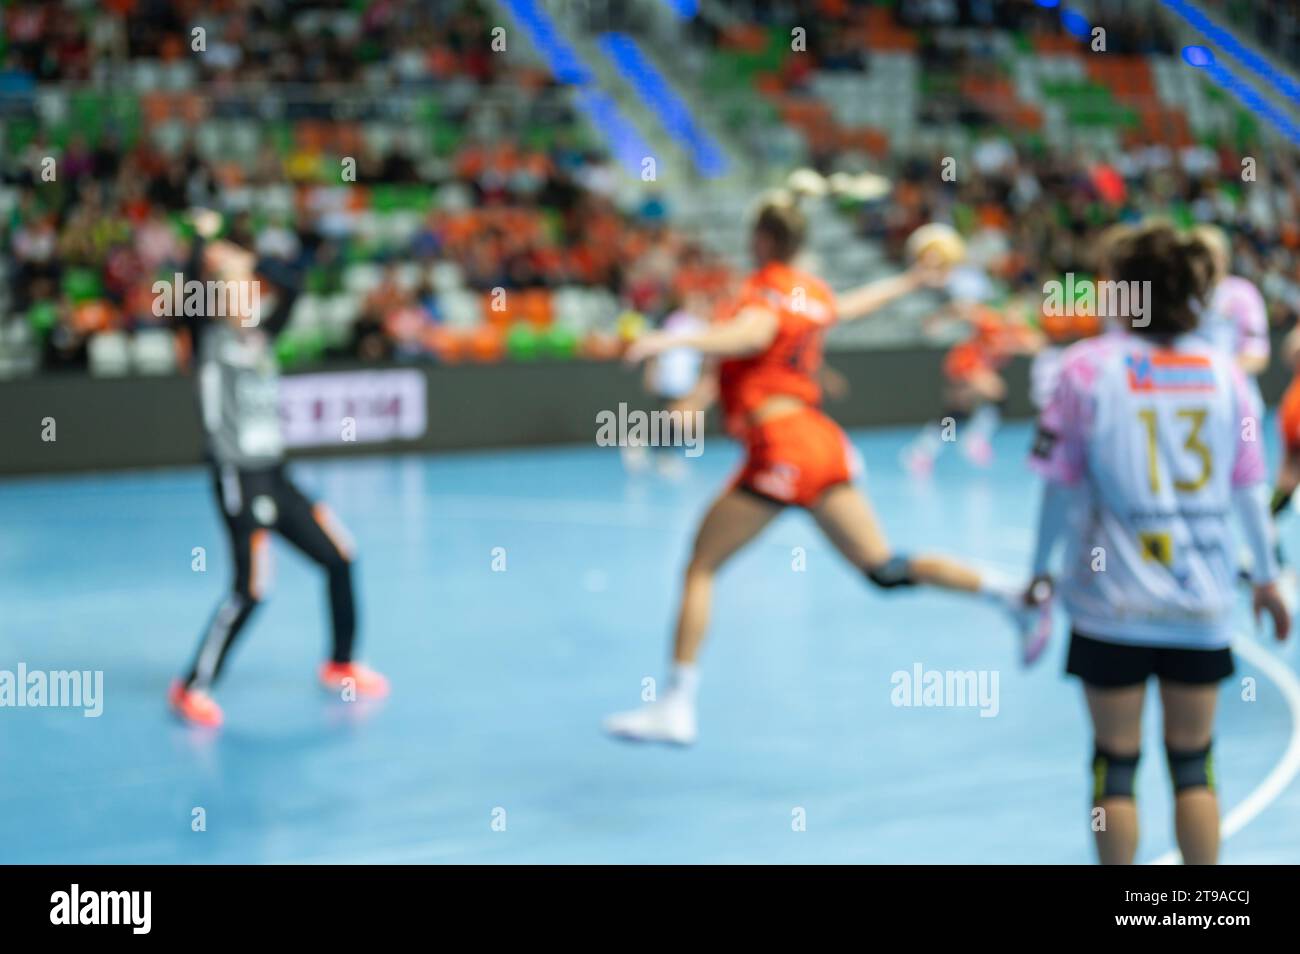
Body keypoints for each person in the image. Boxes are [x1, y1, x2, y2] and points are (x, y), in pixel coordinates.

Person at [603, 190, 1051, 746]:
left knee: (700, 566)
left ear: (761, 240)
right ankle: (1011, 592)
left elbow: (752, 334)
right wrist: (910, 281)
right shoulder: (810, 293)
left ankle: (676, 703)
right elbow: (847, 307)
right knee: (883, 568)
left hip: (782, 445)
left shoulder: (762, 288)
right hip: (821, 440)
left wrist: (672, 339)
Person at [1026, 222, 1289, 864]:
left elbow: (1057, 491)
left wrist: (1039, 573)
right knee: (1194, 763)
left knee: (1114, 766)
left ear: (1123, 290)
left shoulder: (1084, 369)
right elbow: (1250, 492)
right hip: (1200, 605)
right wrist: (1267, 579)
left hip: (1107, 603)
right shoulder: (1226, 374)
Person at [169, 209, 389, 728]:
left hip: (276, 473)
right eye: (234, 288)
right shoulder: (208, 340)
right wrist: (204, 246)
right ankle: (191, 685)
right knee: (251, 589)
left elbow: (295, 282)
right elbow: (186, 294)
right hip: (236, 476)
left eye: (250, 286)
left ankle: (340, 663)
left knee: (340, 557)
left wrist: (248, 257)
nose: (248, 293)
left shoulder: (263, 335)